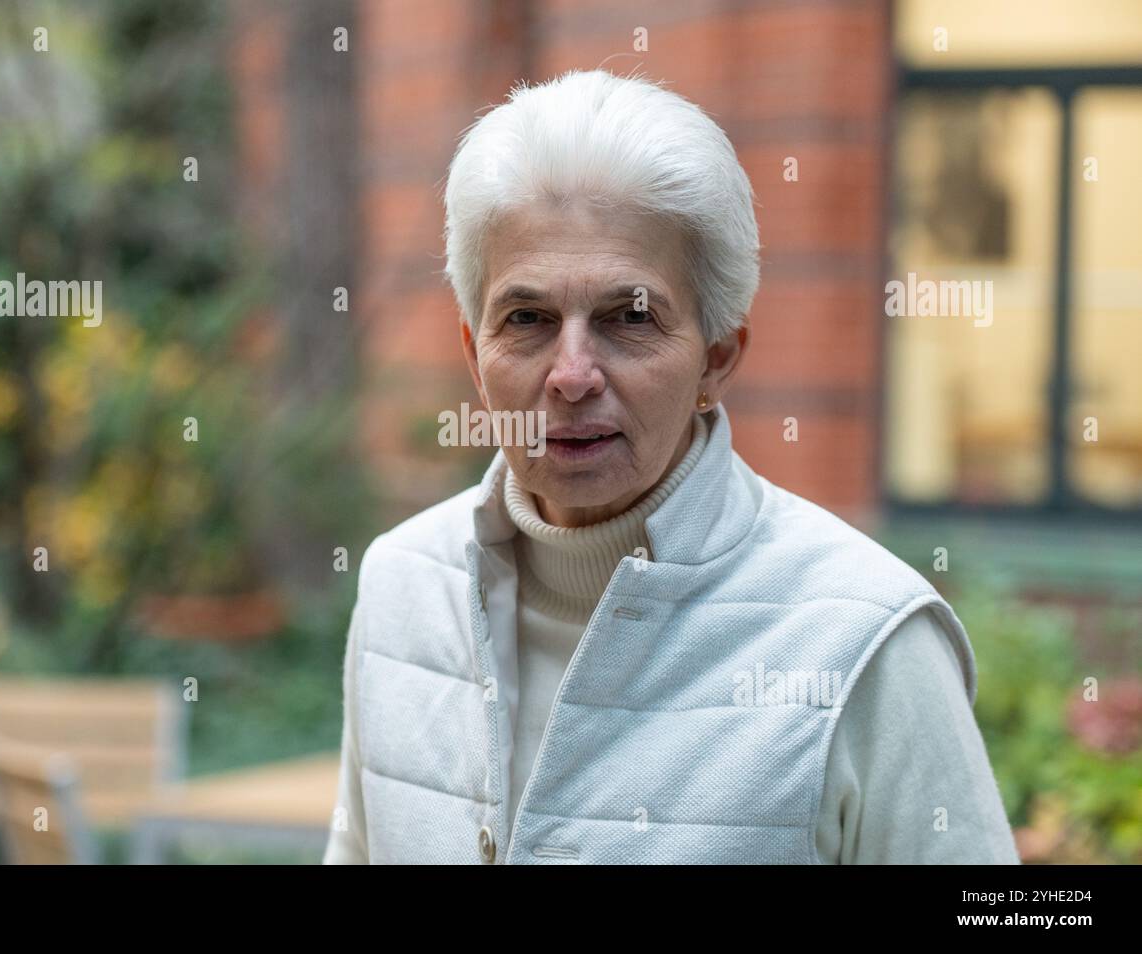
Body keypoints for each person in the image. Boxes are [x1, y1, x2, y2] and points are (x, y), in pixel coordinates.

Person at [323, 69, 1020, 864]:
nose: (572, 374)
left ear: (717, 360)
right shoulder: (403, 584)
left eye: (631, 317)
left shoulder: (865, 639)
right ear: (474, 358)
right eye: (528, 319)